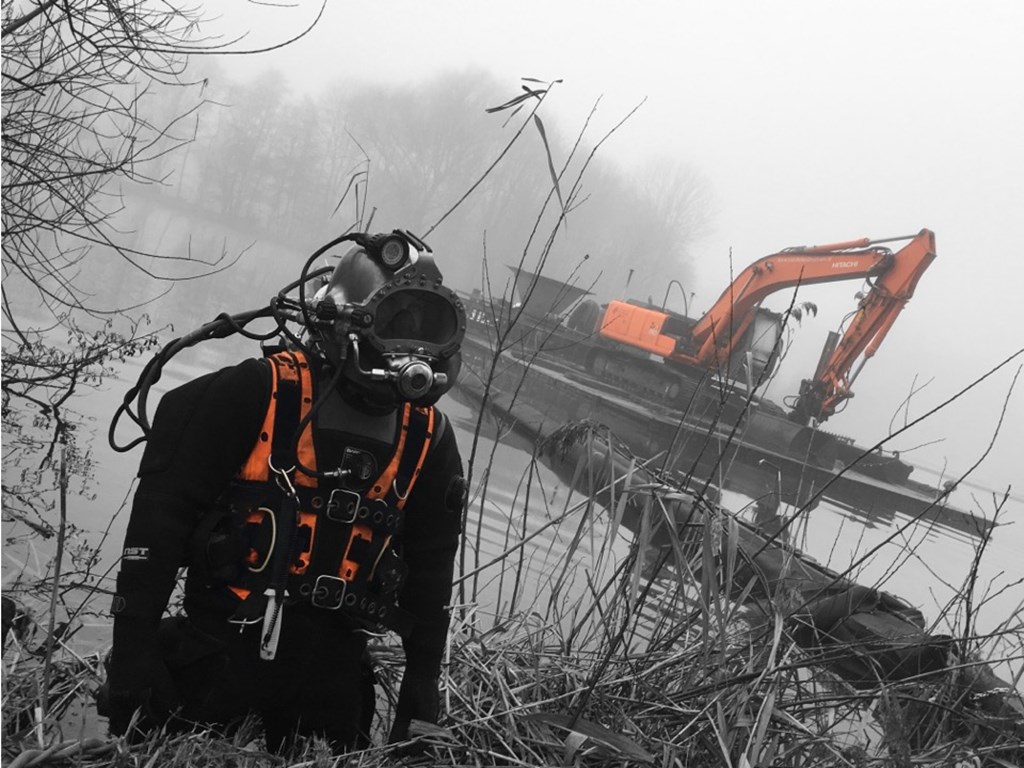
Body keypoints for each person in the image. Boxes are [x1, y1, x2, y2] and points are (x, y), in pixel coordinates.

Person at [99, 231, 468, 752]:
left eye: (432, 327)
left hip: (331, 697)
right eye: (395, 321)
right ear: (341, 320)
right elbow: (156, 534)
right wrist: (133, 663)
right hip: (212, 671)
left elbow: (431, 577)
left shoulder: (429, 439)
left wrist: (418, 699)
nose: (413, 346)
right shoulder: (250, 394)